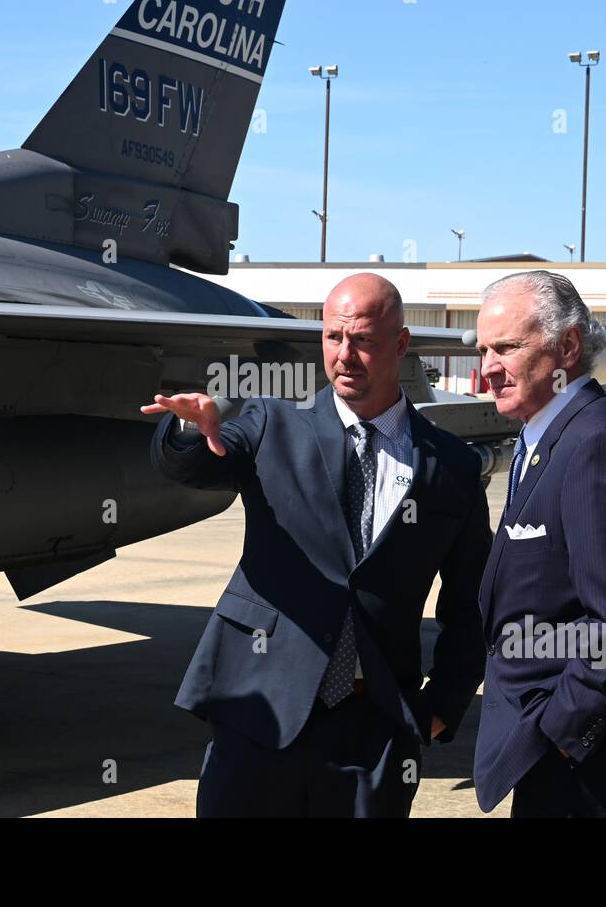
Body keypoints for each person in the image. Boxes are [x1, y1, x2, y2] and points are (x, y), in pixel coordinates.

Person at [143, 273, 490, 817]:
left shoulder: (453, 467)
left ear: (400, 345)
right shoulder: (272, 424)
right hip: (259, 713)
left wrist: (441, 706)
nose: (344, 355)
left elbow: (471, 602)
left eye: (364, 340)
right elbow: (202, 462)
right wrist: (192, 433)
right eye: (333, 337)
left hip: (374, 729)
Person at [471, 270, 606, 817]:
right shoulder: (548, 437)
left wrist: (560, 730)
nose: (488, 368)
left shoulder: (597, 445)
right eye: (484, 350)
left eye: (507, 348)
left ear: (567, 346)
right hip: (562, 759)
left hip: (589, 769)